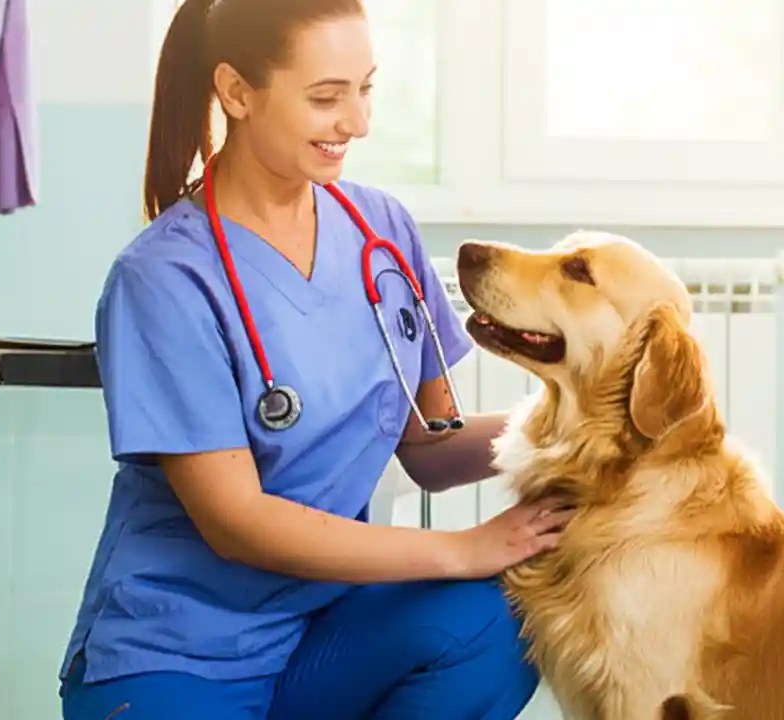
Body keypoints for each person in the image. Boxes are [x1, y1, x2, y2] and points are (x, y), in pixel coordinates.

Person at [55, 0, 574, 718]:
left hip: (321, 633)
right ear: (237, 92)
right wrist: (463, 548)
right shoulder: (165, 278)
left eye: (366, 89)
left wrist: (575, 434)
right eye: (327, 97)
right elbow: (236, 521)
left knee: (496, 620)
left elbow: (430, 442)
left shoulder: (381, 232)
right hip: (176, 656)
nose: (358, 123)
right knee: (476, 575)